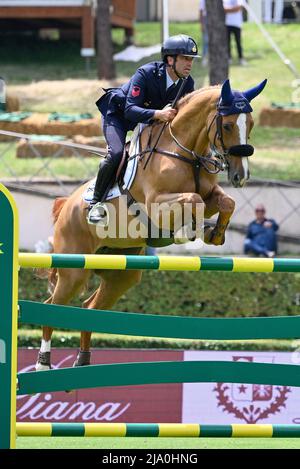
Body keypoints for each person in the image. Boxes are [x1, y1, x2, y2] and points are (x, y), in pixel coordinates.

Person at [88, 34, 200, 225]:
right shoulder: (146, 73)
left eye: (191, 60)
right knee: (116, 154)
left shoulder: (187, 83)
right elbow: (130, 110)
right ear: (170, 60)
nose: (189, 64)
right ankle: (95, 204)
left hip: (149, 123)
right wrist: (158, 114)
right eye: (185, 59)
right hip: (118, 116)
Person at [223, 0, 247, 66]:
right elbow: (223, 9)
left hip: (237, 24)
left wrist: (228, 10)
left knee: (238, 42)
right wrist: (233, 9)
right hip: (227, 23)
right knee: (227, 42)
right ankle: (228, 58)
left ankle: (241, 58)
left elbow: (239, 8)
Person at [199, 0, 209, 66]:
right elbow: (201, 11)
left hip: (215, 19)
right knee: (206, 40)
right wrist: (202, 24)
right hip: (206, 19)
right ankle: (205, 58)